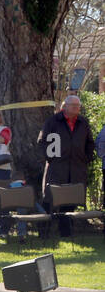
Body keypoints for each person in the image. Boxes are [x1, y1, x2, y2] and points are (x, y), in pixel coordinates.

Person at [38, 95, 96, 234]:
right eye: (73, 105)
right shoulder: (53, 121)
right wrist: (50, 159)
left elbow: (90, 142)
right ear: (65, 106)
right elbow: (42, 141)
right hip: (56, 168)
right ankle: (43, 232)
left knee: (70, 201)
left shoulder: (83, 122)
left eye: (78, 106)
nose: (77, 108)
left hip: (76, 168)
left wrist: (86, 158)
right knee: (50, 199)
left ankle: (65, 232)